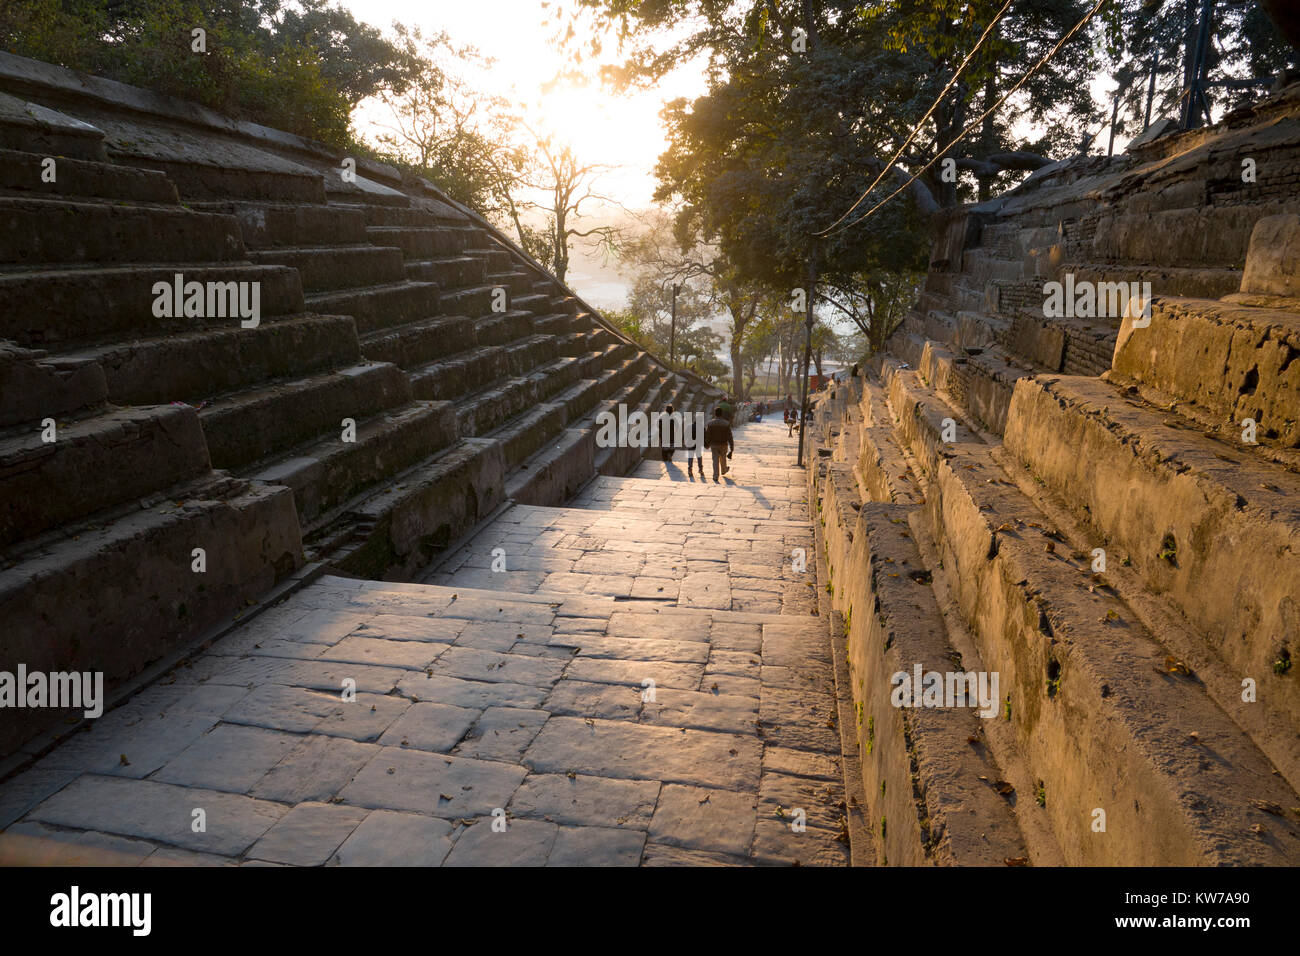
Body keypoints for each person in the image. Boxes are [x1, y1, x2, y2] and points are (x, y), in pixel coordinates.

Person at [704, 406, 735, 482]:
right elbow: (729, 436)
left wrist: (706, 443)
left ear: (715, 414)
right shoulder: (726, 423)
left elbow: (708, 435)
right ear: (722, 414)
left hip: (714, 445)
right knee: (723, 458)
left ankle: (715, 476)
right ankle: (724, 470)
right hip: (723, 444)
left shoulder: (710, 423)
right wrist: (732, 447)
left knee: (715, 460)